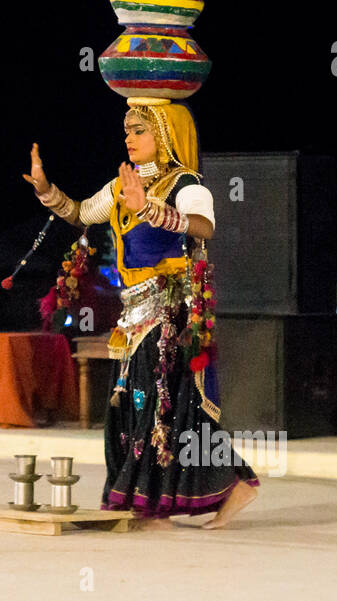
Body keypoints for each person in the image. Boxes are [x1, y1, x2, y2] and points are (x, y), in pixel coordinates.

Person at [24, 98, 259, 528]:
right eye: (126, 131)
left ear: (164, 136)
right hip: (132, 313)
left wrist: (148, 207)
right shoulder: (121, 185)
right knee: (132, 406)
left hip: (171, 312)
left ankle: (166, 504)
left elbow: (203, 226)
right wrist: (45, 189)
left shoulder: (187, 184)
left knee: (161, 407)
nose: (129, 139)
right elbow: (80, 213)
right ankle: (166, 500)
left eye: (139, 131)